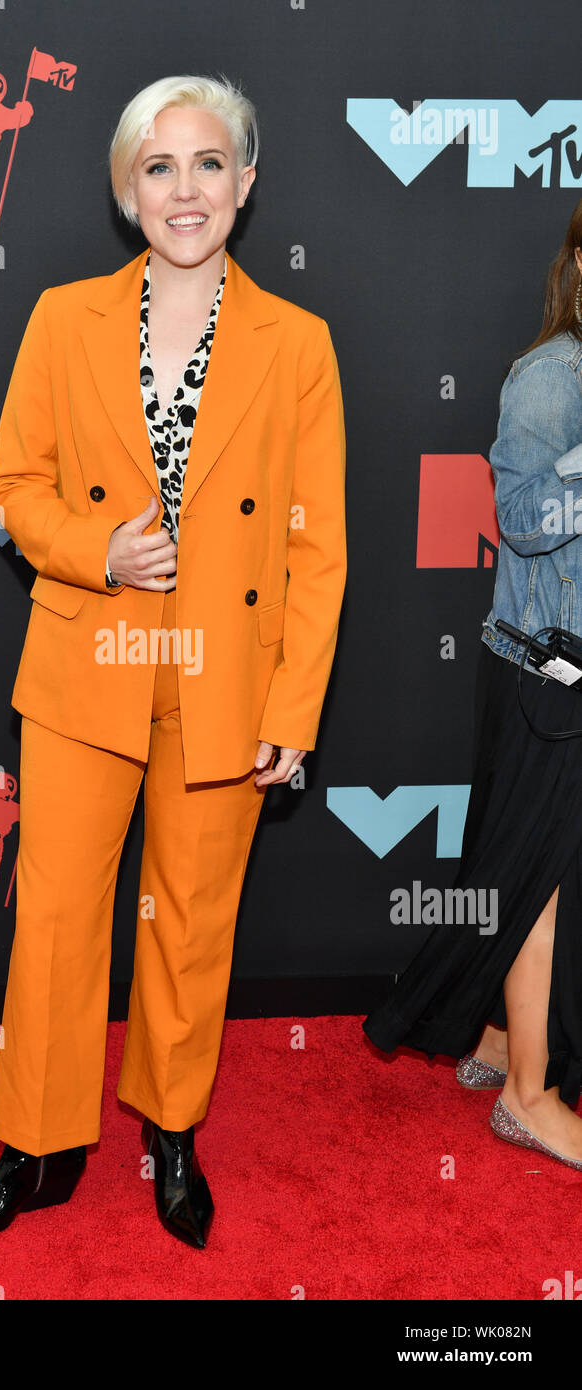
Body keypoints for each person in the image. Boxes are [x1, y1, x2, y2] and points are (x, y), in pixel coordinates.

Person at [0, 73, 346, 1248]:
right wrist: (97, 550)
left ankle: (171, 1131)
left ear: (246, 184)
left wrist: (293, 711)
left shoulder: (298, 345)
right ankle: (35, 1147)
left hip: (224, 677)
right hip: (83, 666)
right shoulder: (63, 318)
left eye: (208, 163)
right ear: (125, 192)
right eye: (157, 167)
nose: (185, 189)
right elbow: (10, 492)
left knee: (191, 920)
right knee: (52, 921)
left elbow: (319, 549)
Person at [364, 200, 582, 1172]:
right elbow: (528, 517)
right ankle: (530, 1097)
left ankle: (502, 1040)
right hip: (545, 671)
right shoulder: (551, 377)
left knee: (540, 878)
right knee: (531, 885)